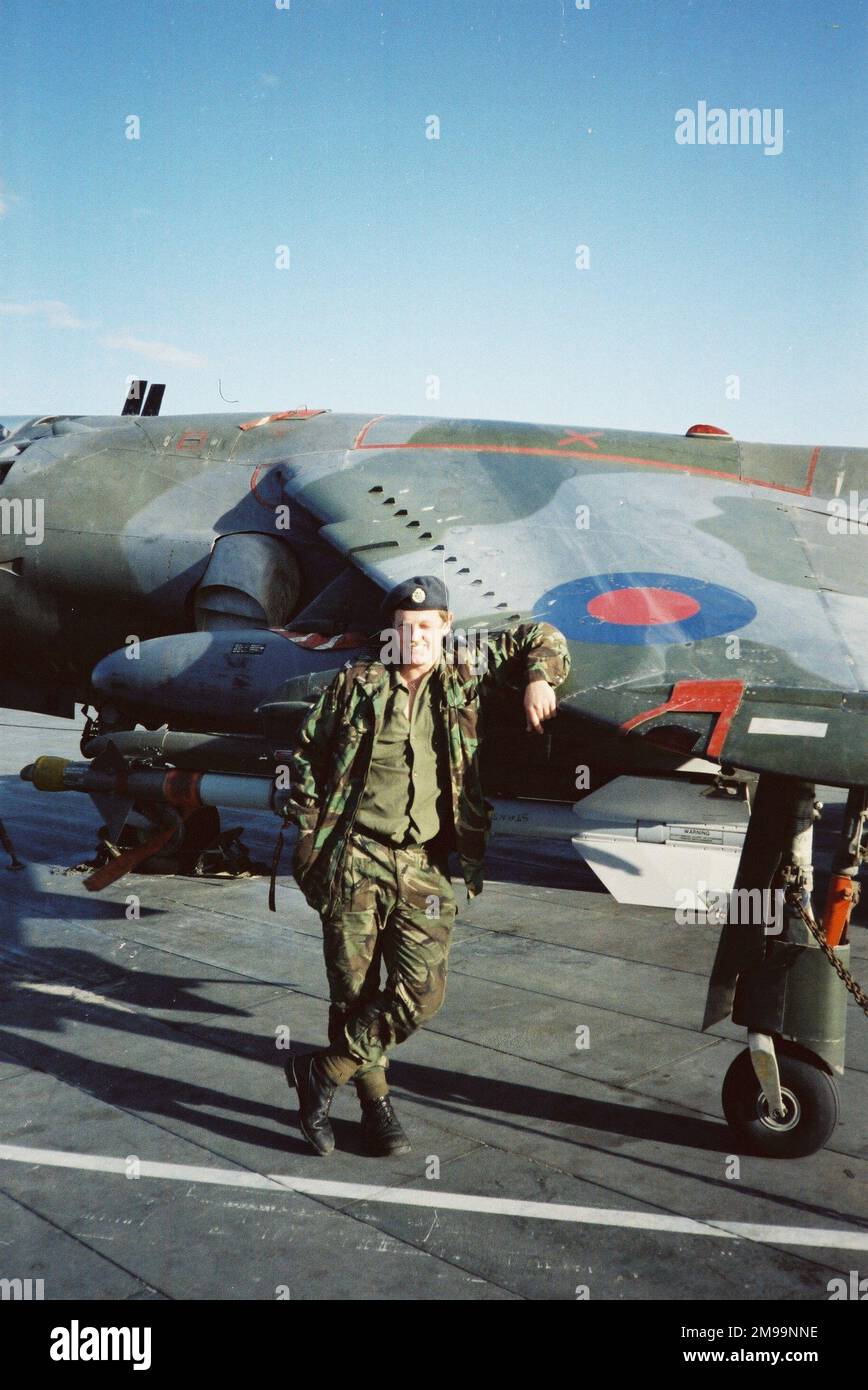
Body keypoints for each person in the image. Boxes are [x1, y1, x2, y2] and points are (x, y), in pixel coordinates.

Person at [282, 574, 571, 1156]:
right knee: (353, 993)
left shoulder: (464, 672)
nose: (414, 637)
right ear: (391, 631)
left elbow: (540, 634)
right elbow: (306, 755)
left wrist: (539, 678)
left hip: (423, 863)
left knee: (422, 992)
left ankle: (325, 1070)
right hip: (355, 856)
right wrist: (310, 837)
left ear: (446, 627)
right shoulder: (357, 684)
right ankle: (376, 1107)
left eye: (425, 627)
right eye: (404, 627)